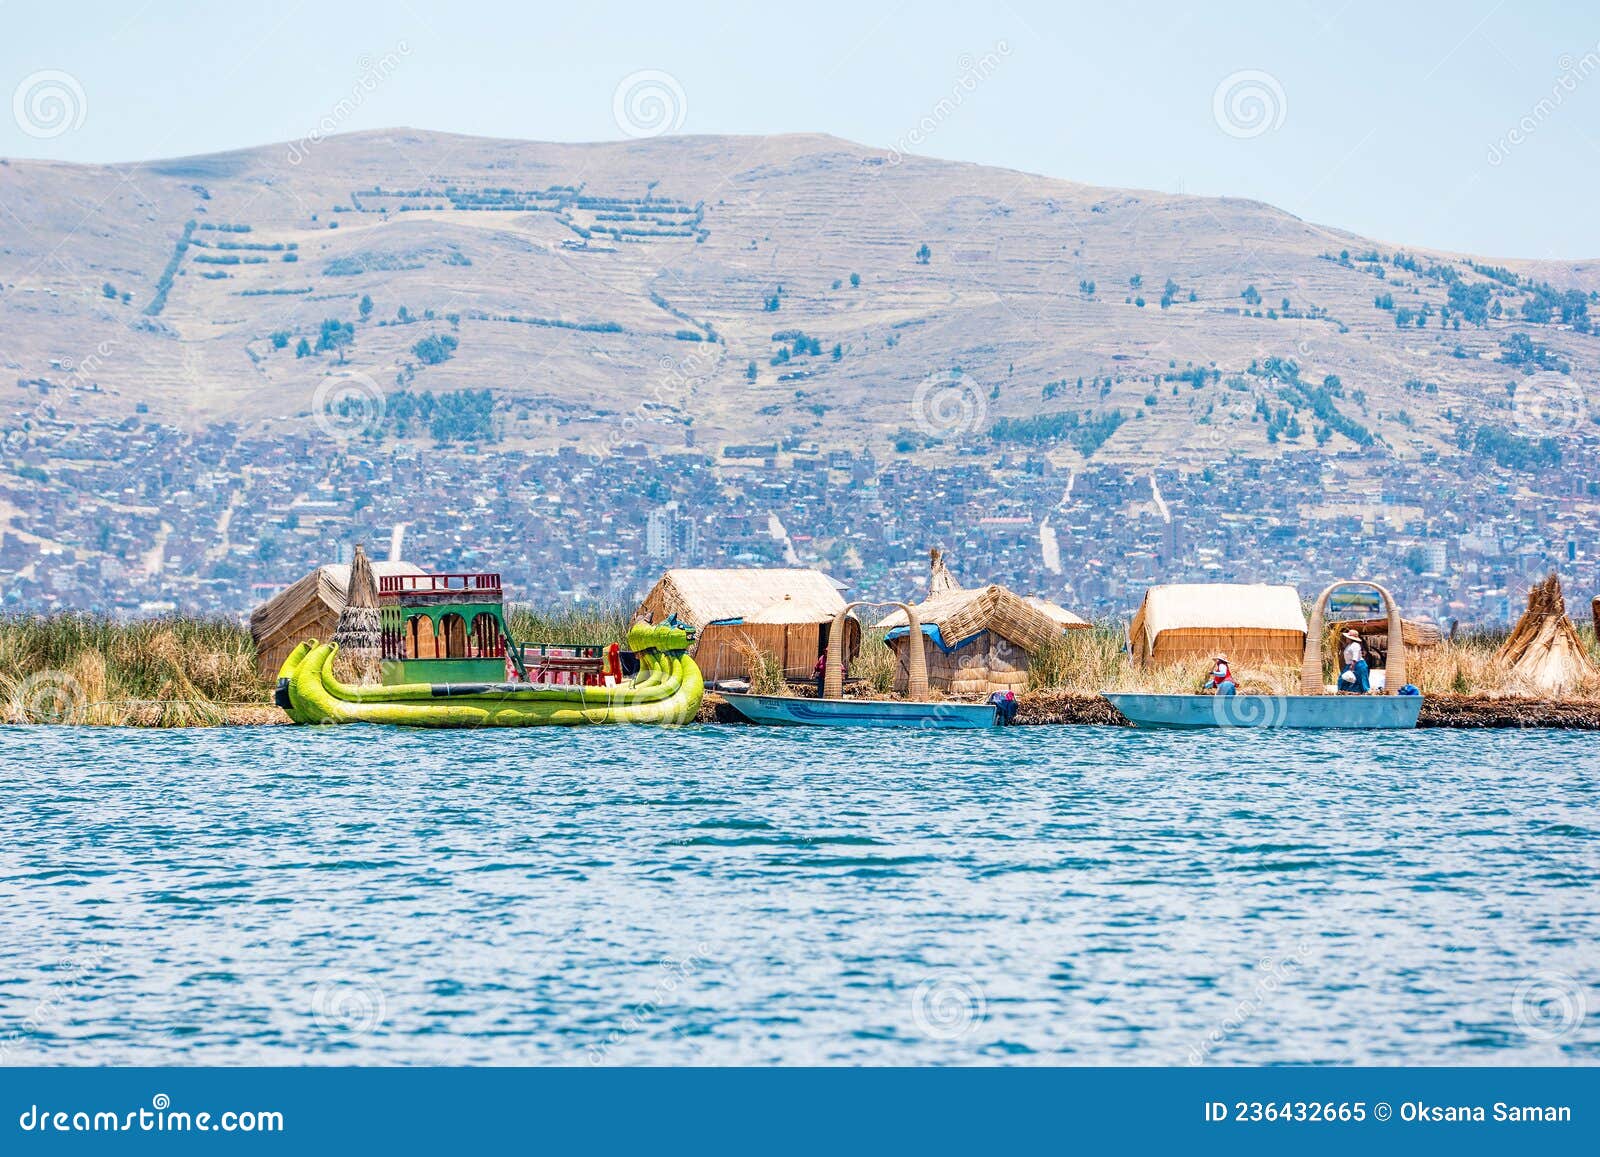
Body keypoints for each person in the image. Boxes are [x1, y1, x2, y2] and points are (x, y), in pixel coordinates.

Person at [1339, 628, 1370, 694]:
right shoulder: (1349, 645)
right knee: (1344, 679)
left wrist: (1352, 666)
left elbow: (1355, 656)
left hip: (1357, 665)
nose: (1346, 638)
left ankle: (1364, 696)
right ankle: (1348, 694)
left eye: (1347, 637)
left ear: (1350, 638)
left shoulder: (1355, 645)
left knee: (1361, 681)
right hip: (1351, 665)